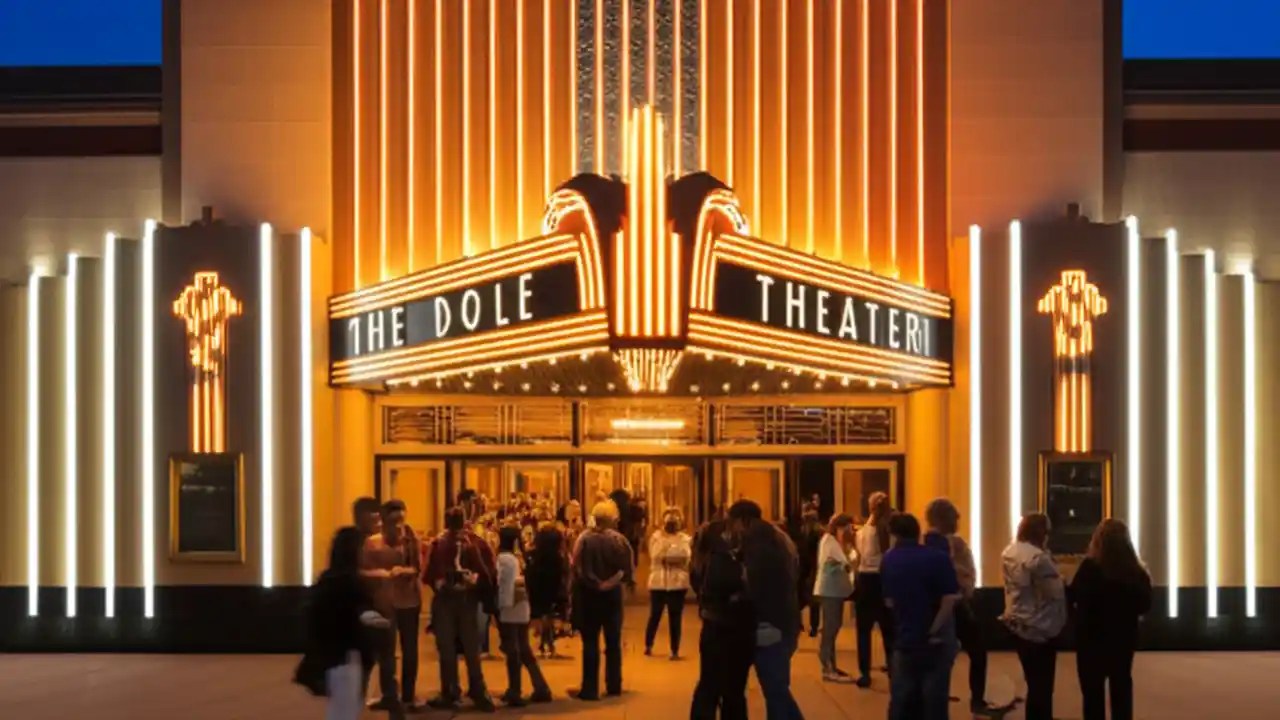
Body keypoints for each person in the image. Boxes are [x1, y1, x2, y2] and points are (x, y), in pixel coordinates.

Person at [301, 527, 390, 720]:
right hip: (346, 657)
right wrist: (378, 620)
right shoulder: (350, 584)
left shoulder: (328, 580)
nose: (368, 552)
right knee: (344, 712)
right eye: (363, 548)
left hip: (335, 657)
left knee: (341, 711)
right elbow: (361, 613)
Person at [923, 498, 1001, 715]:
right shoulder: (956, 544)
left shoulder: (925, 543)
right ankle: (977, 701)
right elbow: (966, 574)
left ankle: (939, 693)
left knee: (943, 653)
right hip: (958, 603)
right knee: (977, 651)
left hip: (935, 605)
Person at [881, 512, 962, 720]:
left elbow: (889, 601)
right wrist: (934, 628)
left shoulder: (889, 559)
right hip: (936, 641)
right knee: (934, 702)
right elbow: (950, 599)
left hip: (906, 639)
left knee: (902, 700)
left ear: (894, 535)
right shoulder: (938, 558)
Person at [1070, 519, 1152, 720]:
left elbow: (1073, 597)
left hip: (1091, 639)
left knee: (1092, 694)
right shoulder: (1135, 572)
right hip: (1123, 638)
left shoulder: (1089, 569)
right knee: (1121, 687)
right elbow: (1145, 605)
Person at [730, 499, 804, 720]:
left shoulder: (760, 544)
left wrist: (738, 596)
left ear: (744, 521)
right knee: (777, 689)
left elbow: (757, 585)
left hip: (771, 624)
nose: (733, 529)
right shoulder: (778, 538)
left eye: (734, 523)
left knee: (775, 689)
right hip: (786, 621)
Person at [422, 507, 498, 713]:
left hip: (451, 600)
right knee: (469, 647)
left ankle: (453, 690)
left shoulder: (440, 543)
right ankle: (473, 689)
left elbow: (427, 573)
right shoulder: (474, 542)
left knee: (450, 648)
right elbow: (489, 570)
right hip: (465, 600)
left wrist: (441, 582)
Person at [1001, 513, 1066, 720]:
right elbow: (1054, 592)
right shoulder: (1038, 559)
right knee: (1043, 687)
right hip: (1041, 625)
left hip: (1018, 621)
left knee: (1033, 683)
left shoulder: (1009, 552)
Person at [359, 500, 422, 712]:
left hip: (409, 601)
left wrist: (405, 571)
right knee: (386, 651)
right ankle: (389, 694)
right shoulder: (373, 543)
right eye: (393, 520)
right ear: (384, 521)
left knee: (410, 649)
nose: (398, 525)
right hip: (384, 602)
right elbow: (363, 571)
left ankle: (408, 695)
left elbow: (418, 568)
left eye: (401, 519)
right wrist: (382, 574)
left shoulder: (411, 541)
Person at [689, 519, 753, 720]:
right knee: (732, 688)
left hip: (712, 626)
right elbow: (735, 588)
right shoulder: (721, 559)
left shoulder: (700, 559)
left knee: (709, 684)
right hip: (729, 628)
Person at [571, 500, 635, 701]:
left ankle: (589, 688)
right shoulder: (620, 541)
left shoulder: (584, 539)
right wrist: (611, 582)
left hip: (588, 596)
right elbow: (627, 569)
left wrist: (595, 583)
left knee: (590, 642)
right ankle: (614, 684)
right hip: (613, 596)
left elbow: (577, 567)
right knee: (613, 641)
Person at [495, 526, 553, 707]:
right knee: (524, 649)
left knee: (513, 650)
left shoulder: (505, 559)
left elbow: (504, 586)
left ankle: (515, 690)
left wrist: (499, 609)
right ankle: (540, 686)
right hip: (521, 607)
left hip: (510, 609)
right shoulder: (518, 558)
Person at [852, 491, 895, 688]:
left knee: (863, 630)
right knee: (889, 630)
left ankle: (864, 672)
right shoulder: (889, 529)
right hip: (883, 579)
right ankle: (894, 671)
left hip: (865, 580)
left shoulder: (862, 531)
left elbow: (860, 556)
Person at [645, 508, 693, 659]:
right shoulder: (656, 537)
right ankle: (648, 644)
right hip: (658, 582)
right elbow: (656, 556)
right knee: (655, 615)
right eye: (669, 522)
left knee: (675, 617)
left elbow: (685, 557)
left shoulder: (685, 538)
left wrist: (671, 557)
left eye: (675, 521)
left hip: (677, 583)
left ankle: (675, 649)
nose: (672, 524)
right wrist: (670, 554)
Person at [815, 513, 856, 682]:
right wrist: (849, 561)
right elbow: (844, 562)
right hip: (830, 590)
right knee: (830, 627)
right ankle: (827, 666)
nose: (850, 530)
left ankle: (832, 664)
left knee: (834, 625)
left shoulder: (835, 541)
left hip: (836, 590)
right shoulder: (830, 541)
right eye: (848, 527)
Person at [527, 524, 570, 658]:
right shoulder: (559, 558)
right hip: (554, 589)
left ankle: (543, 644)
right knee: (549, 615)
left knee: (542, 615)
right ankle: (549, 644)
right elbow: (564, 574)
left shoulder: (533, 555)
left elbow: (529, 573)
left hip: (537, 589)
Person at [795, 506, 825, 638]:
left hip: (810, 568)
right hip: (807, 568)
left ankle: (809, 625)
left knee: (808, 599)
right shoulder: (813, 533)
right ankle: (811, 625)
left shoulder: (812, 534)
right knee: (809, 600)